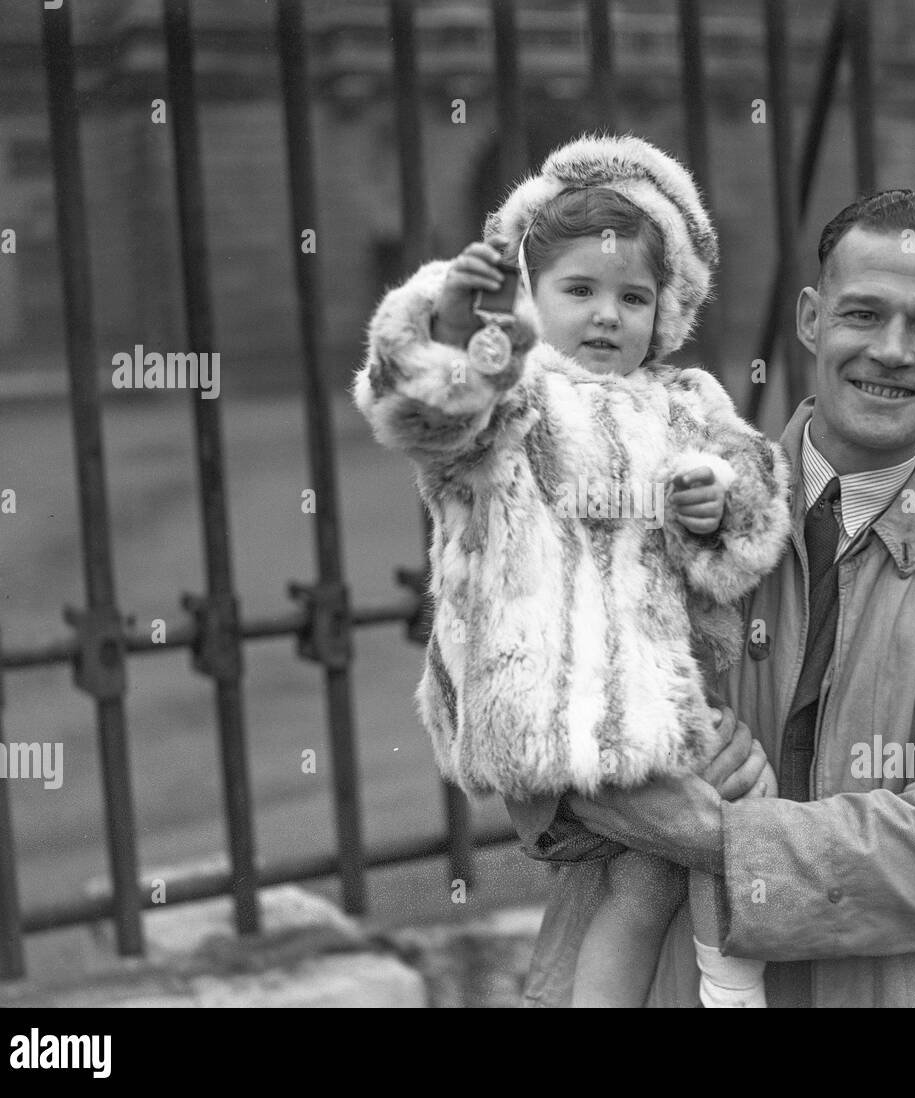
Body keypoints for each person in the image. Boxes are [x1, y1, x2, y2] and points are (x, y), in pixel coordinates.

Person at [510, 189, 915, 1008]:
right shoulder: (671, 501)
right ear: (810, 318)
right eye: (862, 314)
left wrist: (714, 834)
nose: (893, 351)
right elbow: (527, 722)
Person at [352, 135, 792, 1007]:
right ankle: (730, 989)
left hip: (656, 701)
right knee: (689, 847)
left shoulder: (683, 399)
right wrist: (452, 325)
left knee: (661, 873)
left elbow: (749, 491)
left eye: (633, 297)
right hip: (543, 704)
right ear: (530, 296)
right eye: (580, 291)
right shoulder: (516, 398)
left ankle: (721, 987)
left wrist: (716, 506)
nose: (606, 316)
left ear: (666, 310)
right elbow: (429, 412)